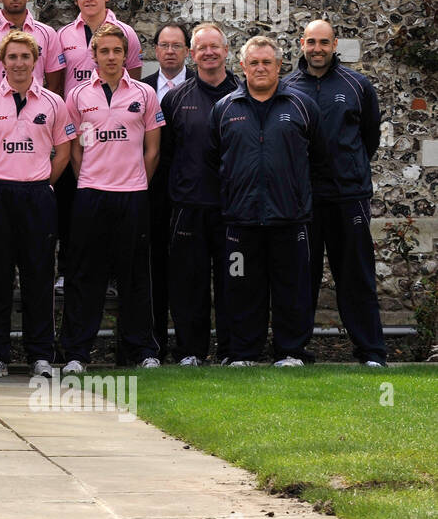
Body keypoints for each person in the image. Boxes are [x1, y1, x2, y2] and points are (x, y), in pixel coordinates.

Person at [207, 36, 326, 367]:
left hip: (289, 219)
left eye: (266, 63)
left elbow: (318, 159)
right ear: (242, 67)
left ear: (279, 67)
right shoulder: (225, 109)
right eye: (254, 63)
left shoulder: (302, 107)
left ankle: (291, 352)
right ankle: (244, 354)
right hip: (240, 221)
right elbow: (213, 159)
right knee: (243, 290)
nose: (260, 68)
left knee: (292, 291)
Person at [57, 23, 163, 373]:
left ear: (126, 55)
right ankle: (76, 353)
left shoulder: (145, 95)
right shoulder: (77, 96)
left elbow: (152, 150)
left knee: (135, 277)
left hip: (132, 197)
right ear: (94, 55)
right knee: (86, 277)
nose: (112, 57)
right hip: (91, 195)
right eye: (105, 51)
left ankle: (142, 350)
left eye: (118, 51)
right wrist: (89, 180)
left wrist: (135, 183)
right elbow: (74, 150)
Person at [0, 31, 75, 379]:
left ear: (36, 61)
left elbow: (64, 151)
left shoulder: (53, 102)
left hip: (38, 196)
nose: (18, 63)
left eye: (24, 57)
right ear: (2, 62)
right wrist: (1, 176)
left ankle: (40, 354)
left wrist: (42, 180)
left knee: (39, 275)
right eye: (12, 57)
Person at [285, 19, 387, 366]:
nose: (317, 48)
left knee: (356, 276)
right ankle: (293, 350)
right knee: (301, 277)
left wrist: (350, 170)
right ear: (301, 43)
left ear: (335, 44)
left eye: (324, 42)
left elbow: (369, 138)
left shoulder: (357, 85)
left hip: (348, 197)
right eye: (311, 42)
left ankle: (371, 351)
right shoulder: (288, 86)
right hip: (305, 201)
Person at [53, 0, 143, 290]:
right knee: (71, 201)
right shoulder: (63, 35)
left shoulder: (126, 33)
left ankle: (116, 274)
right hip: (77, 126)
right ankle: (69, 268)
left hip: (114, 127)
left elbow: (133, 77)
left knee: (115, 203)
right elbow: (57, 82)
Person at [159, 23, 238, 365]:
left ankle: (232, 351)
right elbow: (166, 155)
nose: (208, 53)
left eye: (214, 47)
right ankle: (190, 350)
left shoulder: (245, 92)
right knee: (189, 285)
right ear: (192, 55)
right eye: (201, 48)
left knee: (233, 283)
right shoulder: (175, 99)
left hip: (235, 209)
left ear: (225, 51)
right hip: (189, 207)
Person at [140, 23, 191, 359]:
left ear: (186, 50)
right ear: (155, 50)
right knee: (152, 268)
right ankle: (152, 345)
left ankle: (190, 347)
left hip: (191, 192)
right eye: (164, 45)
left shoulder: (203, 89)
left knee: (188, 270)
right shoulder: (141, 90)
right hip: (150, 193)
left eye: (177, 45)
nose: (170, 51)